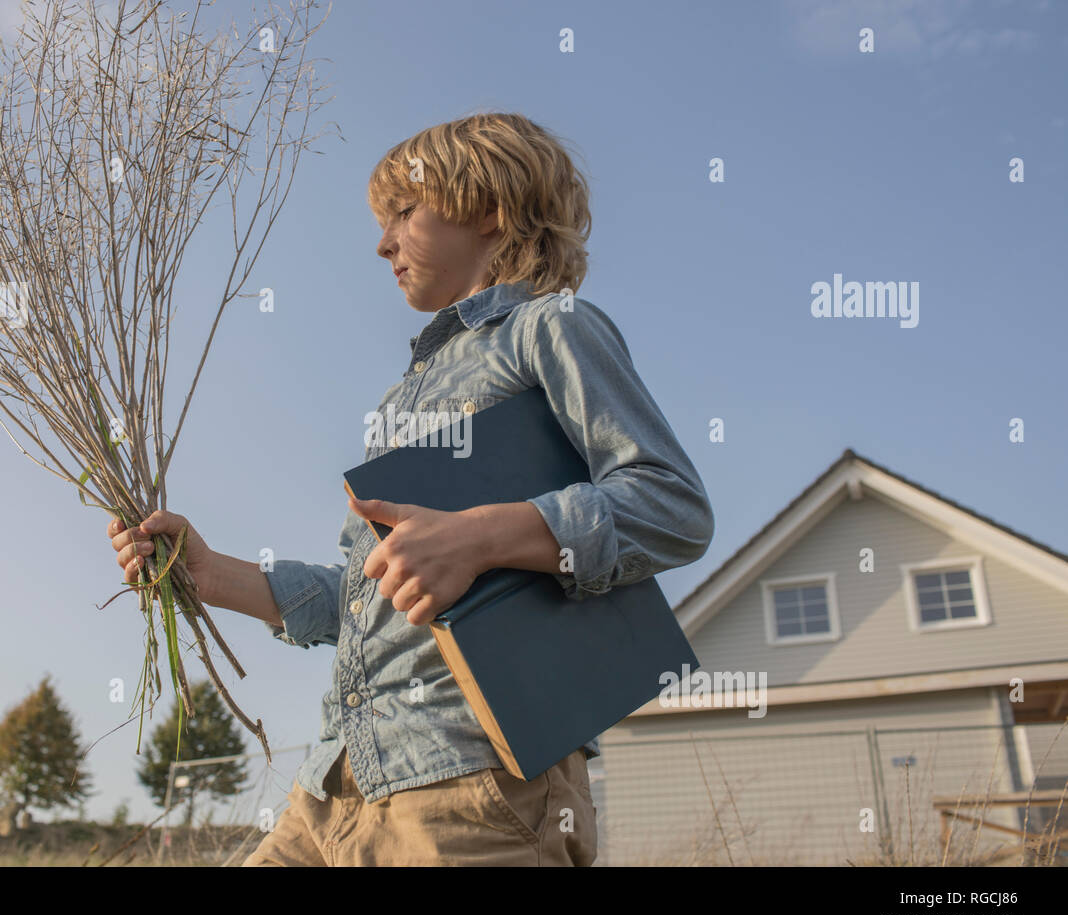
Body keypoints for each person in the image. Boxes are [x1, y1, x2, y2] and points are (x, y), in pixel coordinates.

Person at [108, 112, 714, 866]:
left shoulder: (549, 328)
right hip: (336, 784)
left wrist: (481, 537)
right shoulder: (402, 397)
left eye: (403, 212)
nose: (382, 242)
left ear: (489, 208)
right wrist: (210, 574)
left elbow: (672, 506)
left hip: (470, 787)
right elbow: (369, 595)